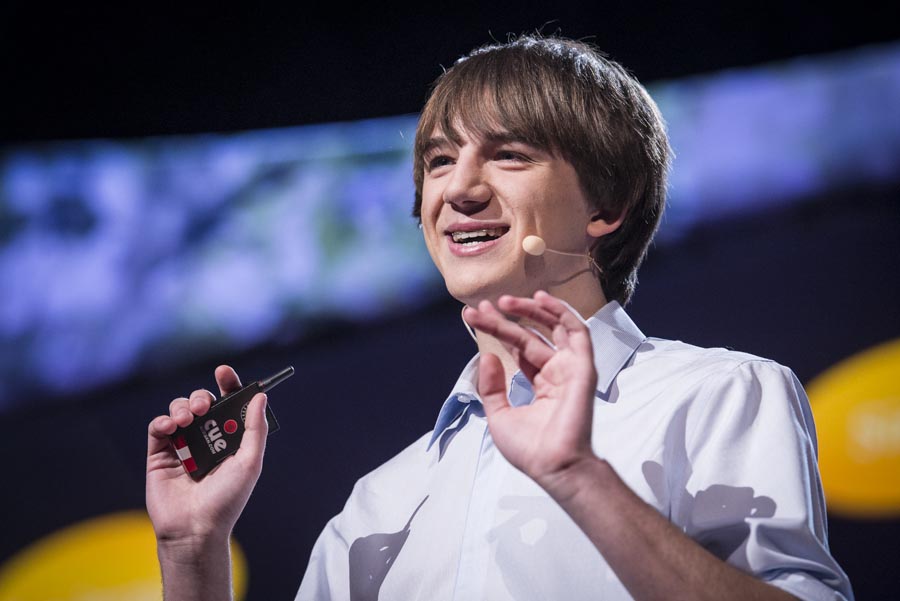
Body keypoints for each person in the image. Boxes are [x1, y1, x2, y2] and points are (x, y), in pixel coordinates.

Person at [146, 35, 853, 600]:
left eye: (509, 154)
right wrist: (192, 552)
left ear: (608, 204)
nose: (458, 188)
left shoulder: (718, 396)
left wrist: (578, 475)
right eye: (439, 160)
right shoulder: (377, 504)